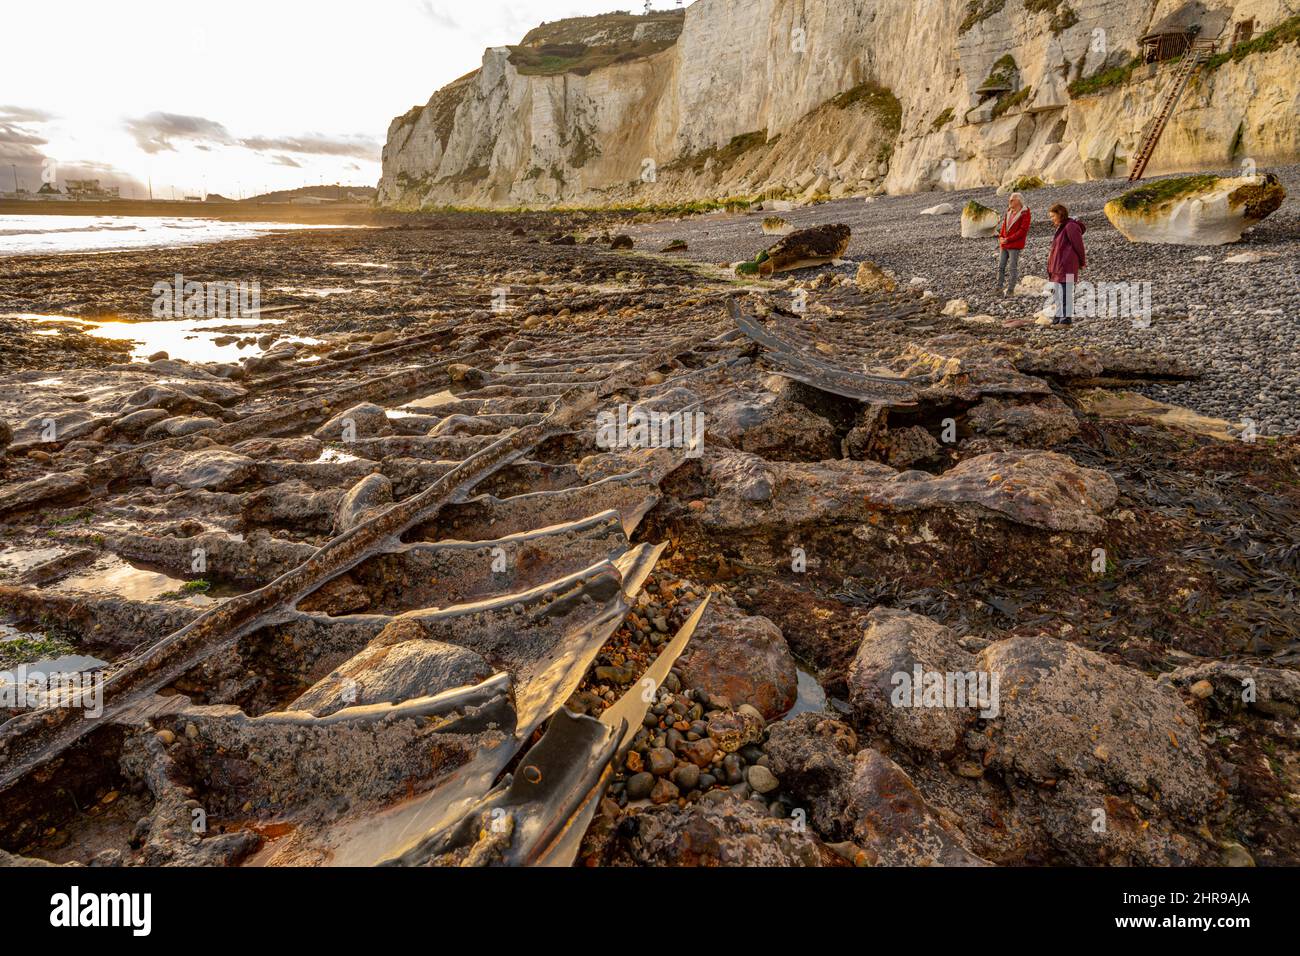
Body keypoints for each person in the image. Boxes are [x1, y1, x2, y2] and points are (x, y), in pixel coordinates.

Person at [1046, 202, 1086, 326]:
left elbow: (1079, 245)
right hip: (1059, 267)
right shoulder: (1062, 226)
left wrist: (1082, 261)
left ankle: (1066, 319)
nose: (1052, 219)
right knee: (1057, 293)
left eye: (1053, 216)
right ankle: (1058, 317)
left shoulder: (1071, 226)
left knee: (1066, 293)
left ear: (1060, 214)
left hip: (1067, 266)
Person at [996, 192, 1030, 295]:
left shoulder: (1025, 213)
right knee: (1000, 266)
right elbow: (1004, 226)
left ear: (1018, 201)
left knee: (1012, 267)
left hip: (1014, 245)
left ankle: (1010, 290)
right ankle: (999, 288)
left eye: (1012, 200)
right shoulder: (1009, 211)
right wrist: (1001, 237)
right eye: (1009, 199)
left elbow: (1023, 230)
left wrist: (1008, 239)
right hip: (1004, 244)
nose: (1009, 201)